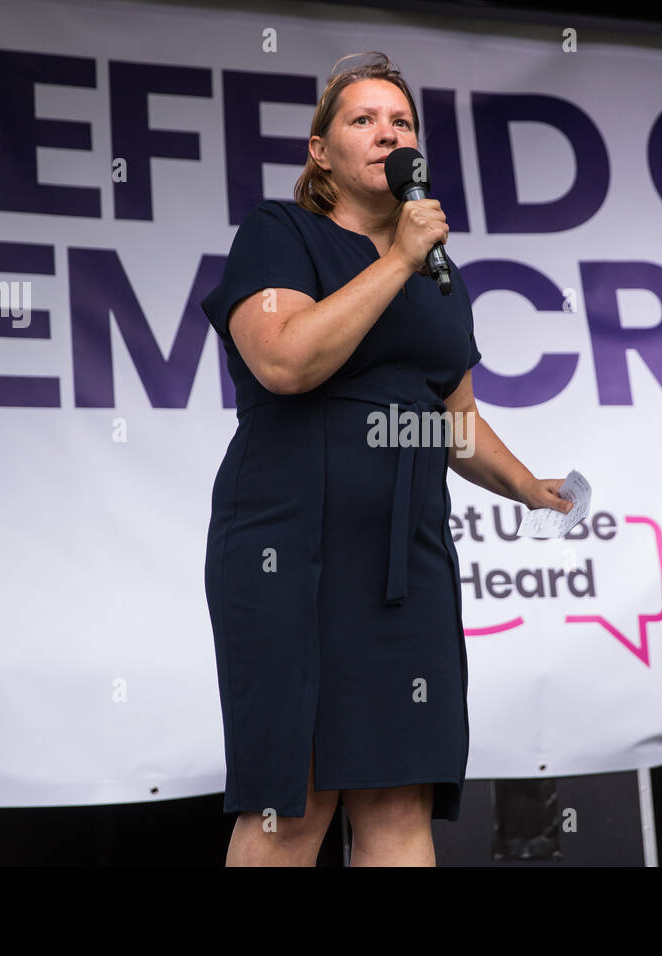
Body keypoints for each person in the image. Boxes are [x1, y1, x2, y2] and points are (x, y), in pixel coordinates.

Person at [200, 51, 572, 867]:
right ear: (320, 152)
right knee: (291, 805)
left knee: (399, 796)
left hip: (408, 553)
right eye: (363, 120)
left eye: (401, 122)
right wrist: (397, 258)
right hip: (289, 543)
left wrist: (525, 485)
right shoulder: (280, 233)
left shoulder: (440, 272)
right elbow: (285, 361)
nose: (387, 133)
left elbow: (454, 419)